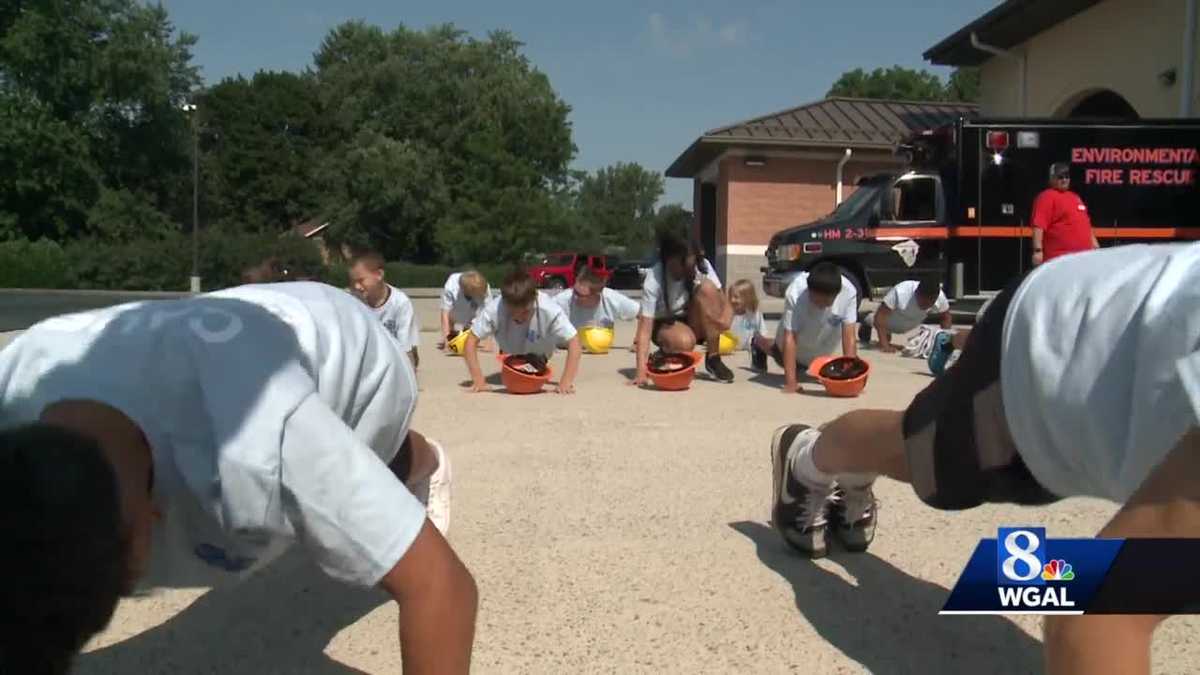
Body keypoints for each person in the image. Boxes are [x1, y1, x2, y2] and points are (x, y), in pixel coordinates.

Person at [0, 282, 475, 675]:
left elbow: (442, 587)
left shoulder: (258, 442)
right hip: (232, 330)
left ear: (153, 519)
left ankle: (425, 459)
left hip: (355, 353)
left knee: (363, 472)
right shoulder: (12, 380)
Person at [768, 242, 1199, 674]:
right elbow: (1098, 615)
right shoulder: (826, 295)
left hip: (1122, 355)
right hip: (1048, 350)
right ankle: (808, 457)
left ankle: (859, 476)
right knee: (920, 458)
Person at [632, 230, 734, 385]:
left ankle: (713, 358)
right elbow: (644, 330)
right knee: (685, 342)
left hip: (690, 317)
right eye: (680, 265)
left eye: (689, 265)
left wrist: (726, 317)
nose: (684, 271)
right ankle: (664, 353)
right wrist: (640, 372)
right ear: (668, 260)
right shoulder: (654, 279)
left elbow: (723, 298)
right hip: (664, 324)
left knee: (707, 288)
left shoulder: (702, 266)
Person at [464, 268, 582, 394]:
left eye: (525, 311)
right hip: (510, 350)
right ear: (504, 302)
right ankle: (513, 361)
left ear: (535, 298)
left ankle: (536, 362)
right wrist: (478, 380)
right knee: (513, 376)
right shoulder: (494, 309)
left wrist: (565, 382)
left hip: (540, 353)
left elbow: (574, 341)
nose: (519, 317)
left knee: (533, 375)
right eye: (513, 312)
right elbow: (471, 341)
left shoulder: (549, 309)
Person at [772, 262, 859, 394]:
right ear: (808, 290)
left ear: (837, 294)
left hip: (823, 339)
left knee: (812, 366)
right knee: (778, 354)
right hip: (796, 337)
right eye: (816, 301)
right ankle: (758, 342)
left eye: (826, 302)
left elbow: (849, 335)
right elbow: (790, 337)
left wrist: (851, 378)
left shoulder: (849, 293)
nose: (820, 306)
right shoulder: (795, 293)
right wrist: (791, 383)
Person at [348, 250, 421, 368]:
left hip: (396, 358)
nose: (357, 286)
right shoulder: (353, 302)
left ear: (379, 275)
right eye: (353, 282)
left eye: (361, 280)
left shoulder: (400, 303)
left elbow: (406, 350)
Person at [1031, 162, 1100, 266]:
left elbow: (1086, 224)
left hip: (1084, 258)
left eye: (1067, 176)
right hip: (1060, 261)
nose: (1064, 180)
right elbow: (1038, 226)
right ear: (1052, 179)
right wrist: (1038, 251)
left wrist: (1095, 246)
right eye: (1060, 177)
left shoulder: (1075, 197)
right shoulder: (1046, 197)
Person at [859, 277, 951, 353]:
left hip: (910, 321)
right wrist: (885, 346)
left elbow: (946, 318)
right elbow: (880, 317)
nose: (926, 306)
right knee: (877, 324)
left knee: (888, 337)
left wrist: (945, 342)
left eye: (931, 303)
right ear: (917, 293)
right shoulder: (900, 291)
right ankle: (866, 319)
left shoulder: (940, 298)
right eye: (924, 303)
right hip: (889, 319)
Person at [552, 264, 640, 330]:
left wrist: (638, 341)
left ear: (597, 294)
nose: (574, 297)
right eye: (574, 291)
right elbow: (540, 312)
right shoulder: (563, 299)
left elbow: (642, 313)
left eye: (580, 295)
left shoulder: (610, 298)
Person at [727, 279, 773, 372]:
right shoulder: (728, 313)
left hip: (748, 347)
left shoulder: (754, 314)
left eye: (736, 297)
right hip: (730, 347)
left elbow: (762, 332)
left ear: (747, 298)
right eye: (730, 296)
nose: (732, 300)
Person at [439, 270, 490, 349]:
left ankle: (466, 332)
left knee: (470, 334)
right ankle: (452, 333)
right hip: (455, 308)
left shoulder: (483, 287)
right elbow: (445, 313)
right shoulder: (451, 287)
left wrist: (487, 339)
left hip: (473, 311)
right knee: (451, 316)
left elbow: (487, 314)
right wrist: (446, 339)